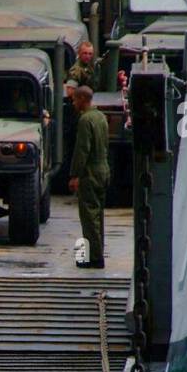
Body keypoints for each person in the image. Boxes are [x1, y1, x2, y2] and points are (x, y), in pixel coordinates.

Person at [69, 86, 111, 269]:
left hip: (90, 172)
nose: (73, 103)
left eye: (75, 99)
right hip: (103, 169)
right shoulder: (100, 117)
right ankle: (97, 251)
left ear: (82, 99)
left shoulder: (85, 120)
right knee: (98, 214)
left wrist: (75, 175)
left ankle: (94, 257)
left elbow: (82, 150)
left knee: (89, 216)